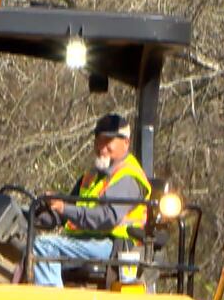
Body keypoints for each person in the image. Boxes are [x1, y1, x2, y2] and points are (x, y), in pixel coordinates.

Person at [30, 113, 150, 288]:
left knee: (44, 245)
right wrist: (36, 214)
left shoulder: (128, 177)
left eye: (108, 142)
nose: (102, 148)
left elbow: (105, 218)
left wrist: (64, 208)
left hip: (113, 246)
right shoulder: (91, 176)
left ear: (126, 143)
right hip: (87, 242)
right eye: (99, 141)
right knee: (25, 242)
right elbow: (67, 212)